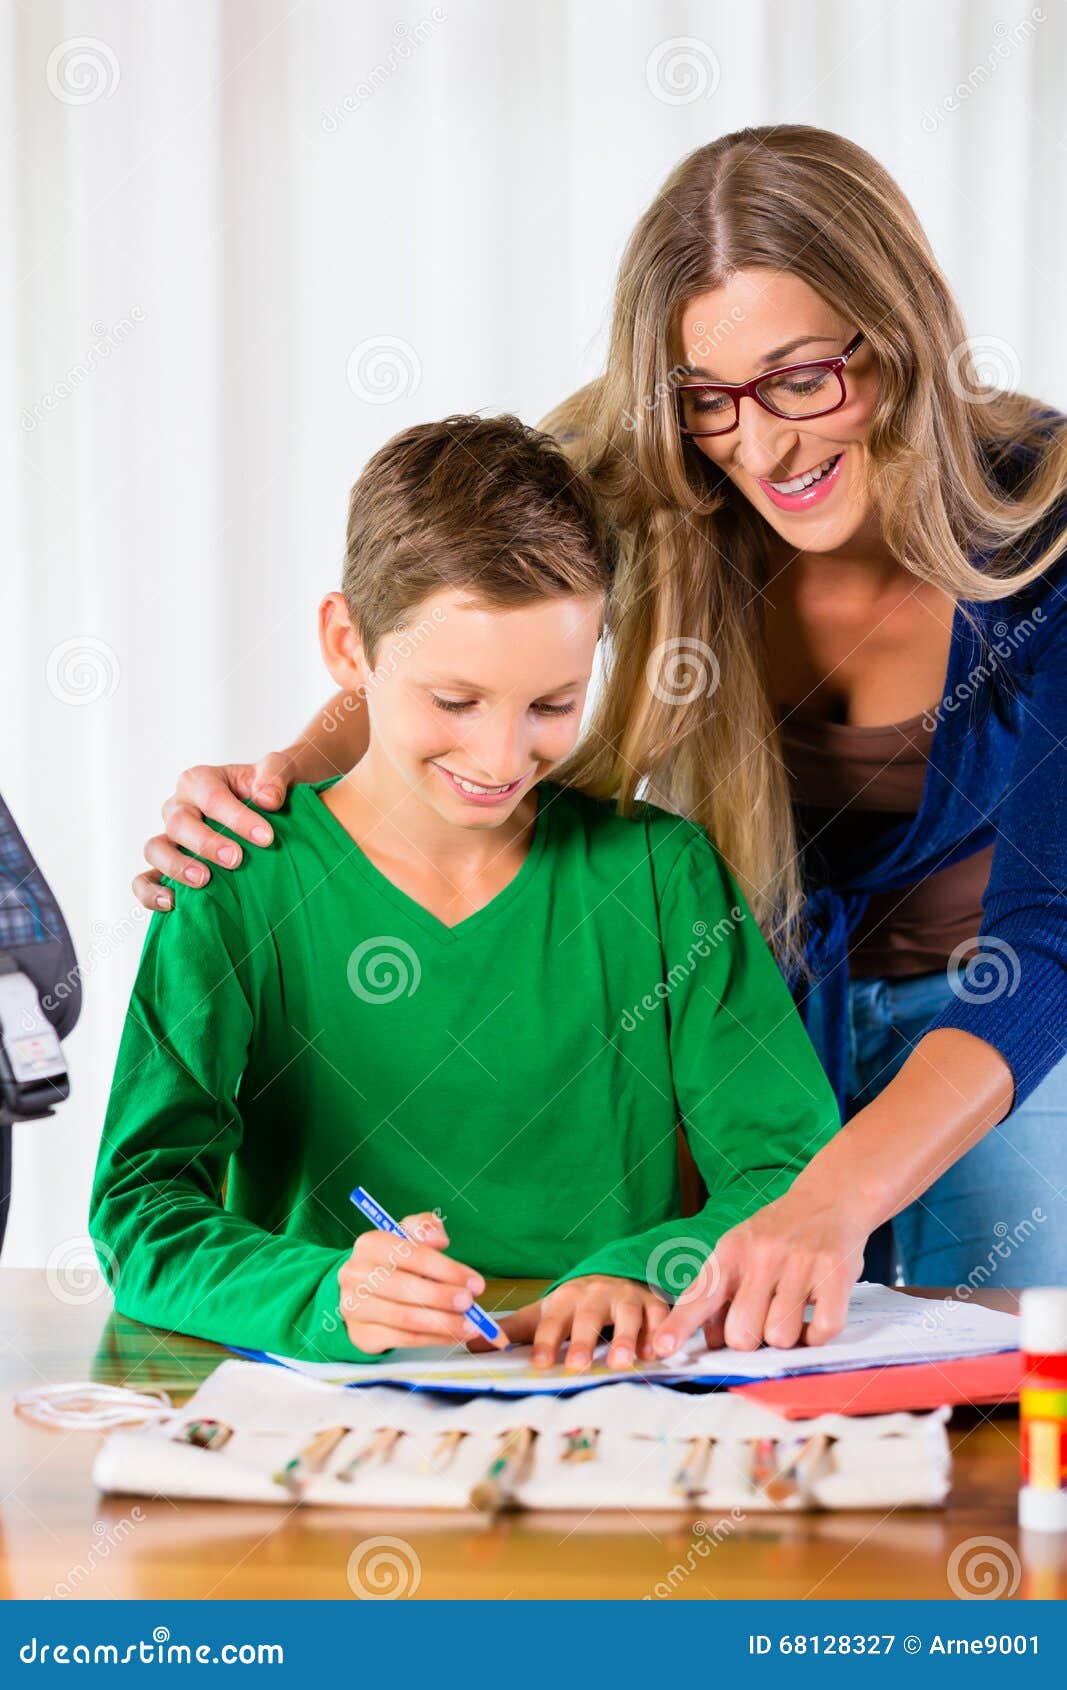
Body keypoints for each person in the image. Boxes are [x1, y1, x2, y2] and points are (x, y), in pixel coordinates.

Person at [133, 126, 1067, 1351]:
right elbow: (447, 596)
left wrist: (830, 1198)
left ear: (899, 333)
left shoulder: (1045, 526)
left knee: (1005, 1400)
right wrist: (281, 782)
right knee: (767, 1406)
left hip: (991, 1027)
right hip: (763, 1007)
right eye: (706, 401)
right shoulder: (643, 473)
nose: (761, 446)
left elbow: (1046, 935)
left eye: (799, 379)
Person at [91, 414, 843, 1368]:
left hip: (608, 1398)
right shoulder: (232, 880)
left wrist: (644, 1269)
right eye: (454, 702)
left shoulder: (662, 878)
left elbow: (793, 1172)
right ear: (347, 645)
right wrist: (324, 1295)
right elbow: (143, 1211)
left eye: (553, 705)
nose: (499, 758)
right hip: (323, 1415)